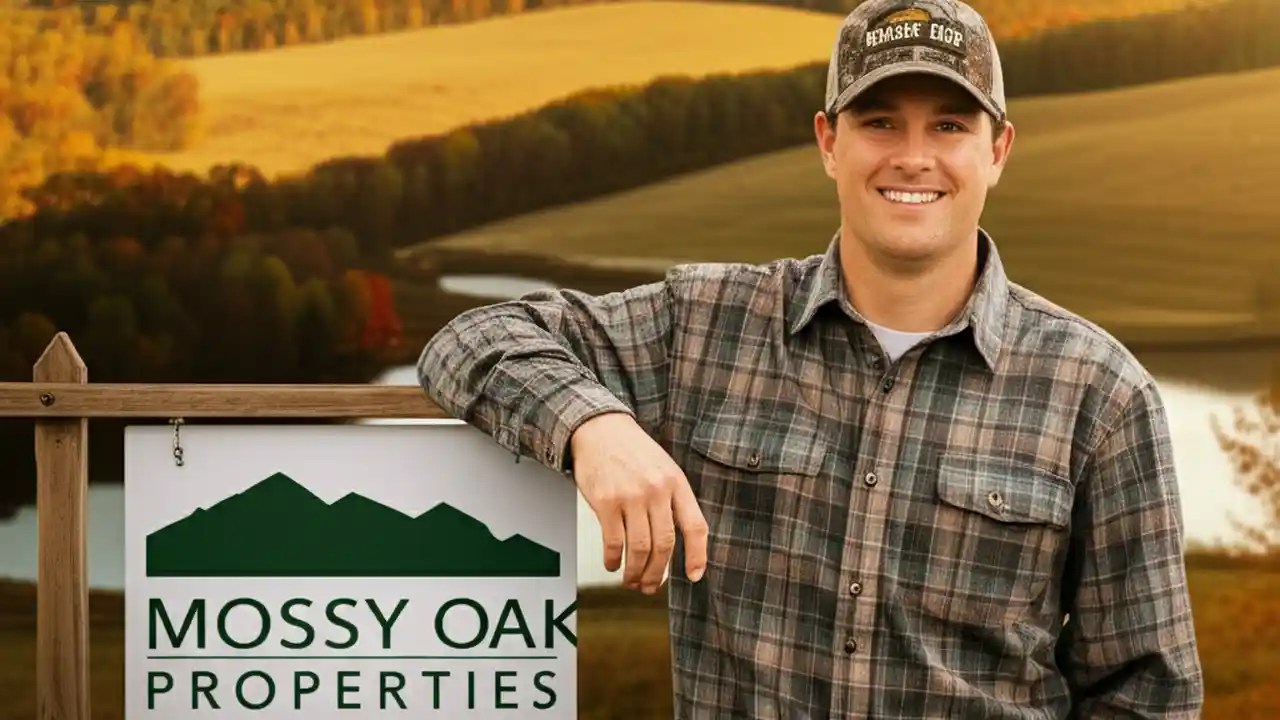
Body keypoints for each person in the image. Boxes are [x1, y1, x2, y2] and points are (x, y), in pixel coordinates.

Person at [416, 0, 1205, 715]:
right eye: (881, 122)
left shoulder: (1098, 393)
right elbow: (472, 339)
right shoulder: (707, 326)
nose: (913, 156)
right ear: (829, 142)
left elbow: (1146, 696)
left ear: (998, 150)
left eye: (950, 126)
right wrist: (594, 427)